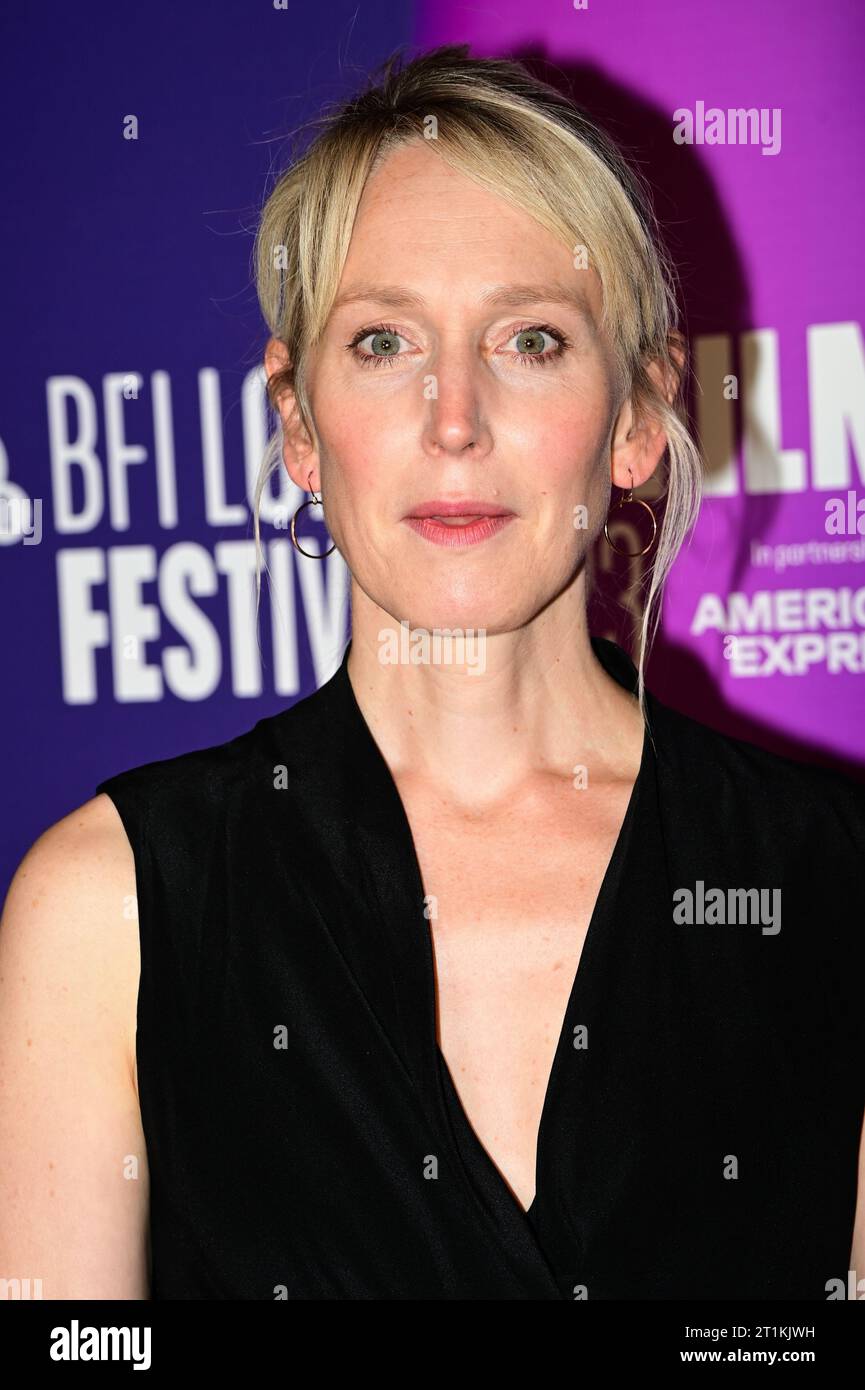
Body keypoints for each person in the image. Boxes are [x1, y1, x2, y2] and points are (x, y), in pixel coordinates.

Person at [1, 45, 862, 1301]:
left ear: (635, 415)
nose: (452, 417)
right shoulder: (112, 906)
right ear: (297, 424)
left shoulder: (830, 880)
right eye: (384, 341)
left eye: (528, 340)